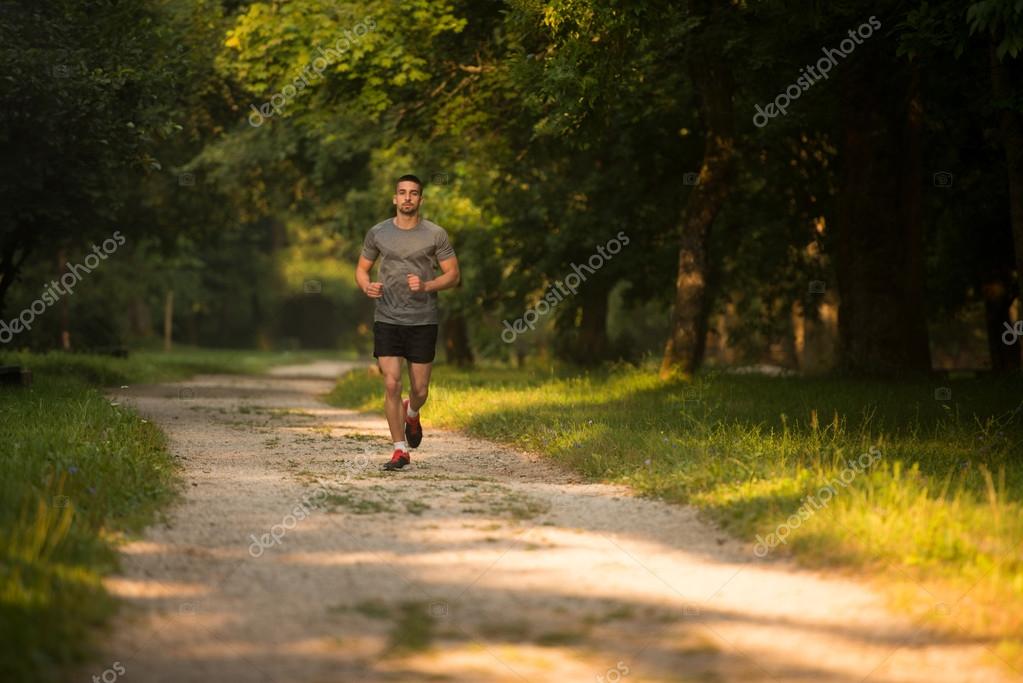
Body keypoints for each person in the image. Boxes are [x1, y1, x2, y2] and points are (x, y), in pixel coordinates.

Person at [355, 174, 460, 470]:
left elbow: (453, 275)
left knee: (421, 389)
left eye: (413, 193)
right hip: (387, 317)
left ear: (420, 200)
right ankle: (399, 450)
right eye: (402, 192)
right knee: (391, 383)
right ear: (395, 198)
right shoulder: (378, 233)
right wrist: (366, 286)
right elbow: (362, 269)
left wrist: (427, 285)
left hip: (422, 319)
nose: (407, 198)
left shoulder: (435, 234)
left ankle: (411, 413)